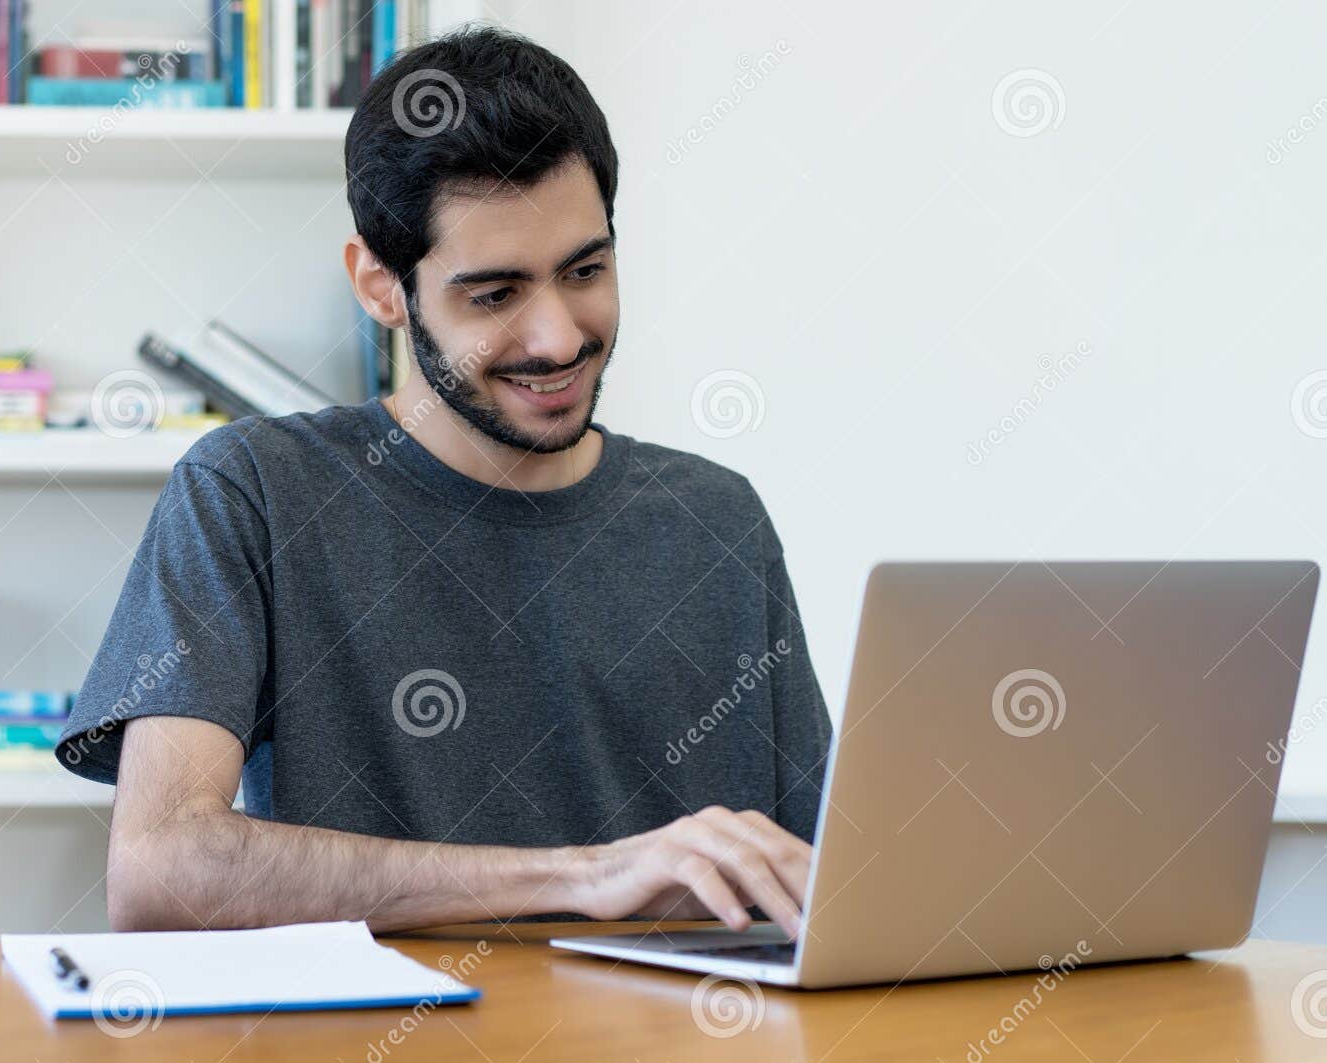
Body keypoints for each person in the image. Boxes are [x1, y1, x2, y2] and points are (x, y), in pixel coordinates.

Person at [55, 26, 831, 937]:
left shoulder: (717, 518)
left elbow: (828, 870)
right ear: (381, 286)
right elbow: (160, 871)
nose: (557, 338)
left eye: (585, 271)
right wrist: (588, 876)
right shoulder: (253, 493)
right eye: (495, 295)